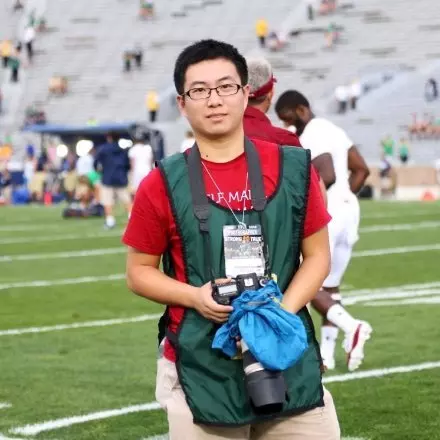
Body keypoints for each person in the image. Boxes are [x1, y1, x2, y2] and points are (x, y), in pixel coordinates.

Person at [123, 39, 340, 440]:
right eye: (199, 91)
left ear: (245, 95)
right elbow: (138, 272)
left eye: (225, 87)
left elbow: (317, 257)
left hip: (286, 354)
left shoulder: (293, 167)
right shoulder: (161, 182)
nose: (214, 100)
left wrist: (277, 315)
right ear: (182, 103)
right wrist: (195, 297)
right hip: (199, 362)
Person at [275, 90, 372, 371]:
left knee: (306, 279)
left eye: (289, 119)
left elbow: (326, 174)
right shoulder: (334, 128)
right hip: (350, 208)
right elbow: (361, 170)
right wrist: (345, 197)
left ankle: (351, 326)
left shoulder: (312, 133)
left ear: (303, 110)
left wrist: (321, 206)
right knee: (331, 286)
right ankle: (328, 356)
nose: (288, 127)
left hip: (332, 210)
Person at [93, 132, 132, 228]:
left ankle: (110, 221)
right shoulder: (123, 151)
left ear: (109, 138)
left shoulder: (103, 149)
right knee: (126, 200)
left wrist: (100, 172)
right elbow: (128, 166)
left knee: (107, 201)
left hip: (107, 178)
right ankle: (132, 219)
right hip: (121, 178)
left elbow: (95, 163)